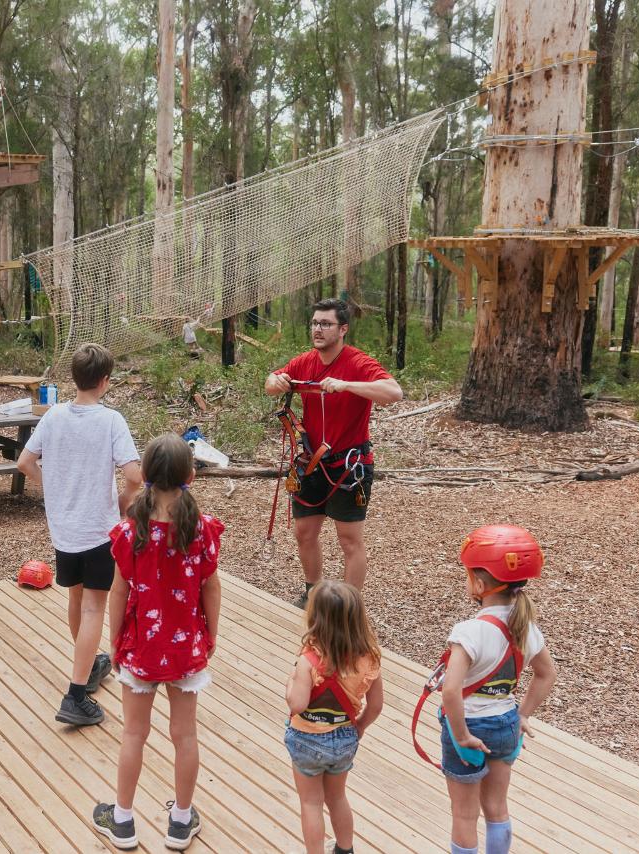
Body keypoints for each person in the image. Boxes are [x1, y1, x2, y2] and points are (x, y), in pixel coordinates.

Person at [92, 434, 223, 851]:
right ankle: (181, 821)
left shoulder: (131, 532)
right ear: (191, 476)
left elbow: (119, 591)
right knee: (185, 735)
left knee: (134, 733)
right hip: (186, 648)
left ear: (145, 475)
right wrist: (212, 633)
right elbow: (211, 586)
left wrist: (115, 640)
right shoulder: (199, 529)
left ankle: (123, 820)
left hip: (142, 647)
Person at [17, 342, 142, 727]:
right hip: (97, 530)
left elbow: (24, 462)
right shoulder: (110, 421)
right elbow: (136, 475)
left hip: (64, 530)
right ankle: (76, 694)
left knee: (77, 599)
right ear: (104, 382)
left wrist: (50, 484)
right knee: (93, 607)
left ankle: (86, 666)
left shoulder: (53, 415)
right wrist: (124, 501)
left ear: (75, 379)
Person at [264, 298, 403, 605]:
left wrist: (348, 385)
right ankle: (312, 593)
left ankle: (348, 606)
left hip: (350, 465)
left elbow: (394, 392)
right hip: (311, 463)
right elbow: (271, 383)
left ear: (343, 329)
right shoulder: (304, 362)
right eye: (315, 323)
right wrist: (279, 381)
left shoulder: (357, 363)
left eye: (325, 324)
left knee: (349, 540)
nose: (318, 329)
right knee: (304, 532)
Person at [441, 525, 557, 854]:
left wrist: (462, 735)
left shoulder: (470, 630)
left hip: (470, 727)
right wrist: (522, 715)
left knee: (464, 814)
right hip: (505, 724)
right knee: (497, 809)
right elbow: (547, 675)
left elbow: (451, 691)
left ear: (479, 584)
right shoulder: (527, 627)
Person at [284, 580, 384, 854]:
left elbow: (297, 703)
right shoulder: (369, 660)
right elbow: (375, 705)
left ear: (315, 618)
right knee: (337, 797)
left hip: (306, 738)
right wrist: (359, 728)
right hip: (343, 739)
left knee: (311, 803)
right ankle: (345, 848)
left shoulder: (309, 660)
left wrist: (290, 683)